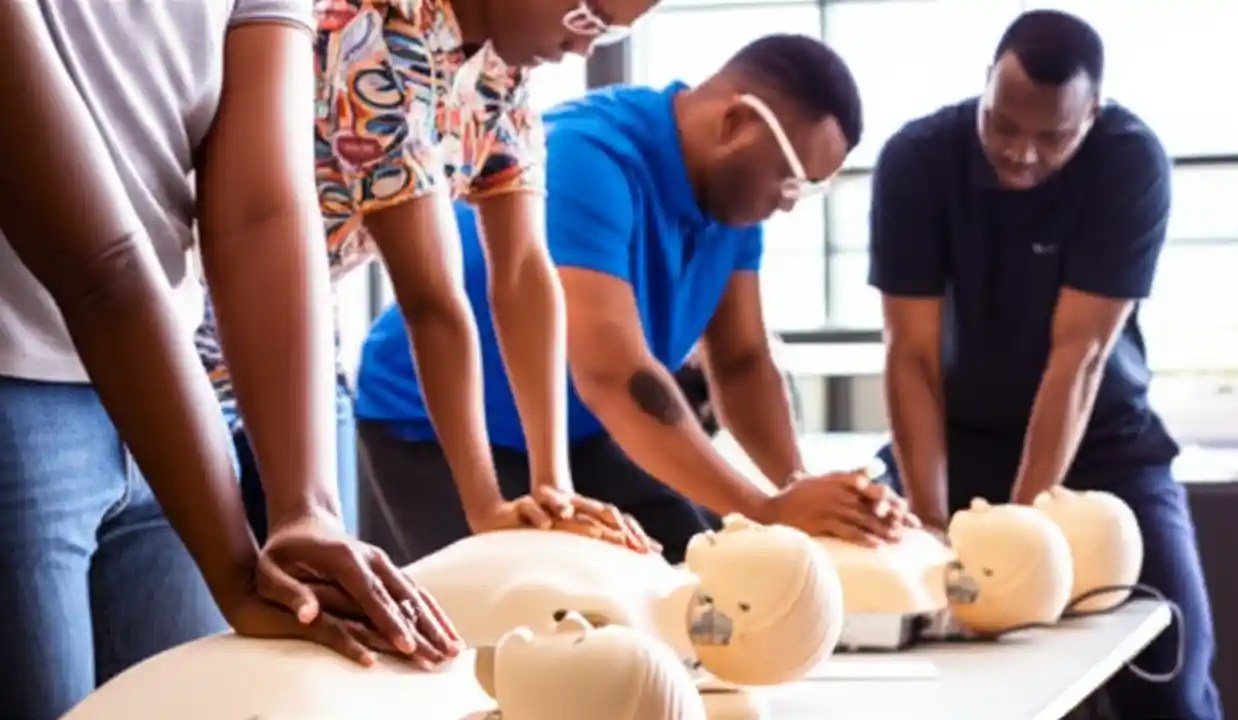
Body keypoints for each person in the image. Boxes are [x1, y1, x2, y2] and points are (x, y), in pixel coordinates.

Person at [0, 2, 467, 718]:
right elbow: (98, 263)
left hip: (165, 382)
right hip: (18, 383)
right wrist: (232, 565)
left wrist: (308, 511)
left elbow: (262, 210)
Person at [355, 34, 917, 566]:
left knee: (697, 577)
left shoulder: (735, 205)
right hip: (431, 424)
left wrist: (801, 492)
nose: (789, 204)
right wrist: (764, 509)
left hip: (579, 433)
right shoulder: (589, 157)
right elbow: (611, 373)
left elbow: (742, 362)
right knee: (518, 607)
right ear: (735, 123)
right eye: (790, 182)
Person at [199, 0, 660, 551]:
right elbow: (430, 297)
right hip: (195, 343)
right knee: (222, 608)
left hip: (301, 346)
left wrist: (552, 483)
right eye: (588, 16)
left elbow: (523, 273)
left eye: (606, 35)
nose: (584, 46)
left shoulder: (501, 72)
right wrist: (485, 504)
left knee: (318, 587)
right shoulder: (366, 28)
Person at [867, 10, 1221, 719]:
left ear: (1092, 115)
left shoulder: (1129, 161)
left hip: (1105, 450)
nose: (1022, 154)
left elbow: (1080, 359)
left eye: (1052, 136)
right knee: (924, 665)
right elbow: (912, 358)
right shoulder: (917, 160)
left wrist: (1020, 538)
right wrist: (932, 521)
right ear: (984, 91)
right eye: (1003, 126)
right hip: (950, 448)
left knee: (1170, 677)